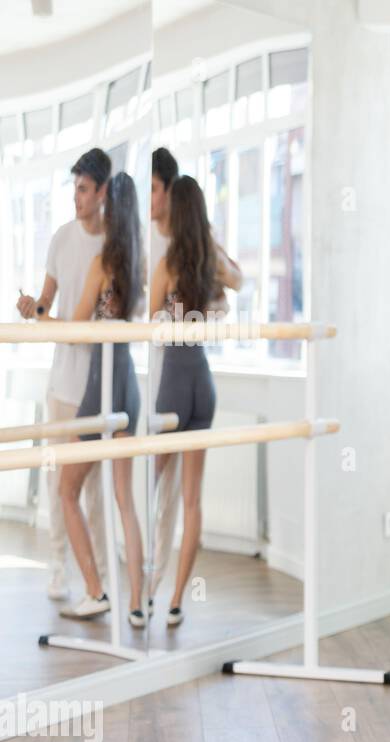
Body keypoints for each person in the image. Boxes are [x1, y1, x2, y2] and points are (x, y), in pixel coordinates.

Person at [37, 172, 146, 627]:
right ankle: (137, 604)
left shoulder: (104, 262)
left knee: (66, 490)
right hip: (129, 385)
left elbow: (75, 327)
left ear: (108, 206)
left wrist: (39, 316)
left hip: (101, 385)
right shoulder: (138, 265)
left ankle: (95, 591)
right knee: (124, 500)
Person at [146, 147, 243, 608]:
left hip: (172, 381)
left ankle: (144, 591)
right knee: (192, 502)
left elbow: (149, 322)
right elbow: (239, 281)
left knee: (147, 486)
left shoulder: (168, 265)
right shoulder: (208, 264)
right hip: (203, 383)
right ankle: (175, 602)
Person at [15, 147, 111, 604]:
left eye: (84, 189)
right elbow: (46, 305)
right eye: (74, 188)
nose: (77, 196)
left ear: (102, 192)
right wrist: (31, 307)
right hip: (62, 386)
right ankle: (59, 568)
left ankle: (100, 578)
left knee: (93, 488)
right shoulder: (61, 238)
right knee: (58, 483)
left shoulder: (113, 246)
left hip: (98, 386)